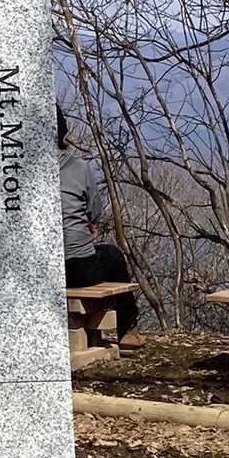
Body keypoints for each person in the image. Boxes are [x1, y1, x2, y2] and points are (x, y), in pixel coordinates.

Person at [58, 105, 144, 349]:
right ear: (63, 134)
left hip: (40, 269)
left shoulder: (21, 172)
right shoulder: (78, 167)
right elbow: (95, 212)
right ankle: (128, 330)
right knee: (113, 256)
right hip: (77, 267)